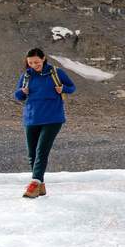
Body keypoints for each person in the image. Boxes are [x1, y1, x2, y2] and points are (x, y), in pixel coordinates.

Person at [12, 47, 76, 198]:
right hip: (31, 118)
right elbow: (18, 95)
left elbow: (72, 87)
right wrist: (22, 92)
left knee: (41, 151)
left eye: (36, 62)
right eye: (30, 63)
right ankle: (40, 186)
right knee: (32, 154)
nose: (34, 65)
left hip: (53, 118)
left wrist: (63, 89)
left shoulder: (56, 73)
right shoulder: (26, 75)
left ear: (43, 58)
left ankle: (34, 183)